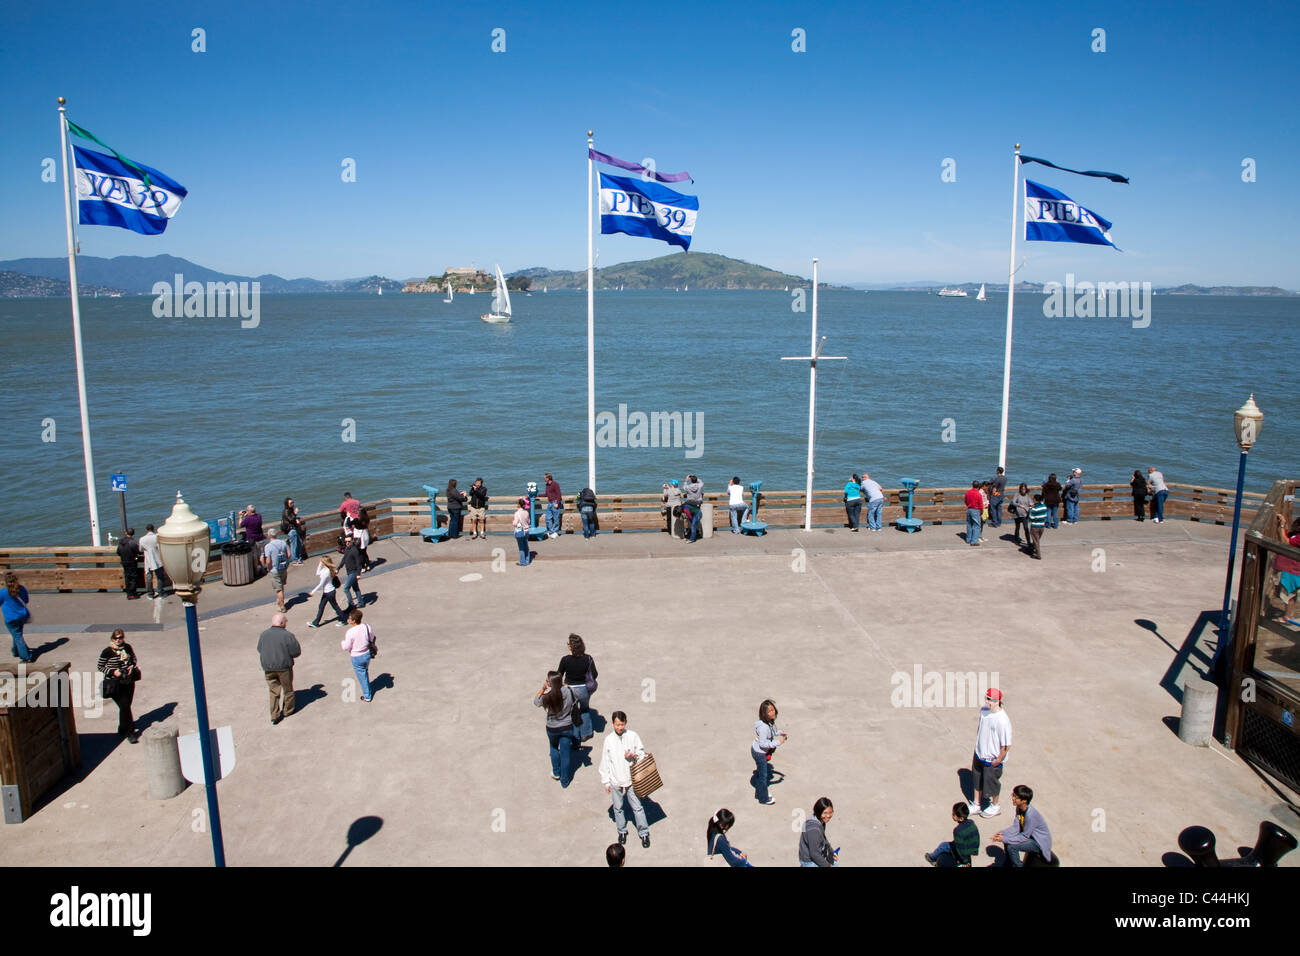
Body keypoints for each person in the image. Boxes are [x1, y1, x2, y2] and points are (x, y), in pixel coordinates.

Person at [599, 710, 651, 848]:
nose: (620, 727)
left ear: (625, 723)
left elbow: (642, 754)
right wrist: (606, 781)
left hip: (631, 780)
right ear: (612, 724)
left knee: (638, 807)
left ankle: (644, 833)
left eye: (622, 724)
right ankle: (622, 831)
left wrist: (633, 755)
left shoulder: (633, 736)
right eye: (617, 725)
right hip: (615, 780)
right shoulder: (608, 740)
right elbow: (605, 761)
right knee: (618, 808)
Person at [970, 687, 1011, 817]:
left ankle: (995, 806)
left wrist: (998, 760)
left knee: (992, 783)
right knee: (977, 780)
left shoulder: (1002, 720)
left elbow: (1006, 745)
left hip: (991, 759)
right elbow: (980, 727)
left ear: (997, 701)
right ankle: (976, 804)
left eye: (990, 700)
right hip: (979, 754)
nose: (987, 702)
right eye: (986, 699)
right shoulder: (983, 711)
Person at [533, 671, 578, 786]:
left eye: (547, 681)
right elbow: (575, 699)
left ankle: (556, 772)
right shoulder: (568, 691)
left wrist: (542, 689)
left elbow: (536, 702)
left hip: (552, 727)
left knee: (553, 747)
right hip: (567, 726)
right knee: (565, 753)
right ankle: (565, 780)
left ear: (550, 683)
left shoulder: (548, 696)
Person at [992, 785, 1054, 866]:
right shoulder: (1019, 808)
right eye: (1013, 795)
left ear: (1024, 801)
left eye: (1016, 797)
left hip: (1038, 842)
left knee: (1011, 846)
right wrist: (1002, 833)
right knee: (1006, 838)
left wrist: (1005, 838)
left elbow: (1024, 836)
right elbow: (1016, 827)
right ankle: (1009, 863)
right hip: (1029, 836)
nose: (1013, 798)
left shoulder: (1031, 815)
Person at [98, 628, 141, 742]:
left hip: (128, 681)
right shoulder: (107, 651)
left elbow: (134, 659)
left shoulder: (127, 648)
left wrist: (131, 666)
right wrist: (114, 672)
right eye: (116, 638)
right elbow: (100, 666)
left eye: (120, 638)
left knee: (126, 706)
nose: (118, 640)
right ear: (112, 639)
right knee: (124, 706)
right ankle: (129, 732)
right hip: (115, 683)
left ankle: (122, 728)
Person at [257, 612, 300, 724]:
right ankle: (287, 710)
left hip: (268, 668)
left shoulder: (264, 634)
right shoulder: (288, 635)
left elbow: (259, 649)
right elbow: (296, 652)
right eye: (285, 621)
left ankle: (274, 715)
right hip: (284, 667)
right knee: (288, 690)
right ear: (281, 623)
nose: (286, 623)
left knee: (273, 691)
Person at [558, 633, 597, 741]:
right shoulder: (588, 658)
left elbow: (558, 675)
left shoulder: (565, 660)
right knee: (584, 709)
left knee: (572, 711)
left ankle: (575, 734)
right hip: (584, 689)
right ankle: (586, 733)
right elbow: (595, 674)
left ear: (570, 647)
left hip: (569, 689)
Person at [752, 699, 786, 805]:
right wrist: (778, 742)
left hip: (759, 751)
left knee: (761, 773)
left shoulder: (768, 723)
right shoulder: (763, 728)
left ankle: (759, 792)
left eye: (773, 710)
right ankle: (763, 798)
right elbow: (763, 743)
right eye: (769, 711)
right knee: (763, 776)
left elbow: (772, 732)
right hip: (759, 753)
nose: (772, 712)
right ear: (764, 714)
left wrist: (779, 733)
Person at [925, 801, 981, 867]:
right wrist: (974, 851)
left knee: (944, 846)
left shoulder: (958, 831)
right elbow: (977, 837)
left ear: (961, 818)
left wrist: (965, 862)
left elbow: (960, 848)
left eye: (954, 814)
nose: (952, 815)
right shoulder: (972, 823)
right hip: (970, 849)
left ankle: (931, 858)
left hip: (962, 851)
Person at [1271, 515, 1300, 625]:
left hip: (1292, 571)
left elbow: (1285, 542)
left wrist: (1282, 525)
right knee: (1288, 594)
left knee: (1288, 594)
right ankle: (1289, 615)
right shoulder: (1294, 534)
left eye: (1296, 524)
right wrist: (1282, 527)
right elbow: (1284, 537)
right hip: (1286, 569)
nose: (1294, 525)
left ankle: (1287, 617)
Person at [341, 608, 375, 702]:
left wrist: (342, 643)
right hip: (367, 653)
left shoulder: (350, 632)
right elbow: (372, 638)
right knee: (365, 670)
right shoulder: (367, 626)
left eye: (349, 618)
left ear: (354, 620)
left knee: (362, 676)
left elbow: (346, 647)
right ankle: (367, 687)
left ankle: (367, 696)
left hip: (356, 656)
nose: (348, 619)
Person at [2, 572, 35, 662]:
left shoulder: (3, 592)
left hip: (11, 618)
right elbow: (26, 600)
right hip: (22, 616)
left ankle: (25, 657)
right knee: (17, 634)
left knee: (17, 636)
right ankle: (15, 651)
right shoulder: (22, 589)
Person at [307, 555, 347, 628]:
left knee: (335, 607)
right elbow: (317, 573)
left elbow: (321, 584)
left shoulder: (326, 572)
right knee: (321, 606)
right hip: (328, 592)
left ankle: (344, 620)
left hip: (329, 592)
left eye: (321, 562)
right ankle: (316, 623)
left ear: (324, 562)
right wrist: (320, 564)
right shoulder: (327, 569)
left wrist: (313, 592)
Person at [798, 797, 838, 867]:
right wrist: (828, 866)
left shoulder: (820, 821)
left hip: (817, 854)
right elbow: (814, 854)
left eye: (830, 812)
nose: (828, 816)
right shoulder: (814, 830)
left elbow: (823, 839)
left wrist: (831, 852)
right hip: (809, 861)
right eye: (825, 813)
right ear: (818, 812)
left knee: (835, 863)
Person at [262, 527, 291, 612]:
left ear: (268, 536)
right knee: (281, 585)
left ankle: (282, 606)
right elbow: (289, 555)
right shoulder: (283, 542)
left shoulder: (268, 546)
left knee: (278, 589)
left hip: (274, 569)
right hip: (283, 567)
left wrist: (268, 568)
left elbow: (268, 560)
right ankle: (279, 600)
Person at [137, 524, 169, 597]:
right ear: (153, 529)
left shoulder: (142, 539)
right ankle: (160, 593)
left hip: (148, 560)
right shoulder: (157, 537)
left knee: (149, 577)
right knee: (160, 577)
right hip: (158, 560)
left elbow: (140, 549)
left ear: (146, 530)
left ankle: (150, 594)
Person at [339, 535, 364, 609]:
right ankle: (361, 603)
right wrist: (338, 568)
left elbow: (358, 562)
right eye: (346, 541)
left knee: (346, 588)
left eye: (349, 541)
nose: (347, 543)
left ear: (352, 541)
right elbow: (344, 559)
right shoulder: (346, 549)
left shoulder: (354, 550)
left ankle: (351, 604)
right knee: (355, 588)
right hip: (349, 572)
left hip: (354, 572)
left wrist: (359, 574)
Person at [116, 527, 141, 599]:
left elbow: (118, 552)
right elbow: (138, 551)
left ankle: (128, 593)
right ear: (133, 534)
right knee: (133, 578)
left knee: (127, 577)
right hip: (132, 562)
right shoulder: (132, 542)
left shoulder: (120, 542)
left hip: (124, 562)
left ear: (126, 533)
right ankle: (132, 594)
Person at [281, 497, 306, 565]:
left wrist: (296, 518)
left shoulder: (290, 510)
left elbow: (292, 519)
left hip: (294, 529)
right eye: (291, 503)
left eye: (293, 502)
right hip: (291, 530)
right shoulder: (286, 511)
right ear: (287, 504)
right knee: (294, 545)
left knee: (299, 544)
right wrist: (295, 513)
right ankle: (295, 560)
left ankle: (298, 559)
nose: (292, 504)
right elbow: (291, 519)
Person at [1010, 483, 1033, 547]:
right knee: (1017, 527)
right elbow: (1013, 502)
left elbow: (1031, 502)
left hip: (1025, 514)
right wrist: (1019, 505)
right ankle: (1016, 539)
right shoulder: (1017, 494)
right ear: (1020, 489)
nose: (1023, 490)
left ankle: (1028, 541)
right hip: (1017, 514)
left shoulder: (1027, 495)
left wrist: (1031, 504)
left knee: (1026, 528)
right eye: (1022, 489)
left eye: (1024, 489)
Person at [683, 474, 704, 542]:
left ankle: (692, 537)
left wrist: (686, 480)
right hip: (697, 503)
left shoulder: (688, 487)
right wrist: (695, 478)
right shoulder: (699, 485)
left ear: (691, 481)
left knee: (692, 522)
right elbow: (701, 482)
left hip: (690, 504)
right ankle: (695, 531)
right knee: (695, 521)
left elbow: (684, 487)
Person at [513, 497, 533, 566]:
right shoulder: (526, 512)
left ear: (518, 505)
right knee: (526, 546)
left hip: (520, 531)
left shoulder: (517, 513)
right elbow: (529, 521)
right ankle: (528, 560)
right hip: (526, 530)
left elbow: (515, 523)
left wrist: (513, 522)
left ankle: (522, 562)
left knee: (521, 547)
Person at [1028, 494, 1048, 559]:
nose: (1033, 500)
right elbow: (1045, 515)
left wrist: (1031, 508)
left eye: (1033, 499)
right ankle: (1032, 549)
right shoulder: (1044, 506)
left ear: (1036, 500)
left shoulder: (1034, 509)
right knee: (1037, 539)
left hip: (1035, 526)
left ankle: (1038, 555)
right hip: (1042, 526)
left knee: (1036, 541)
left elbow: (1031, 518)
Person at [964, 480, 983, 546]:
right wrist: (981, 512)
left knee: (969, 524)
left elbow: (966, 501)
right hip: (975, 510)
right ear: (978, 486)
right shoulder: (978, 494)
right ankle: (974, 541)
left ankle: (968, 539)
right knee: (976, 526)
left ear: (972, 485)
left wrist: (968, 505)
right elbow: (981, 505)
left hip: (969, 509)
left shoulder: (968, 492)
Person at [543, 472, 562, 538]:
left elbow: (559, 494)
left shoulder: (555, 484)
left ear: (548, 478)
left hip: (555, 503)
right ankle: (551, 531)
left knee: (556, 518)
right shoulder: (547, 485)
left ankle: (556, 532)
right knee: (548, 518)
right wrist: (537, 495)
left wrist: (557, 503)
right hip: (550, 503)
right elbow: (546, 494)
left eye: (545, 478)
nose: (543, 479)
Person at [354, 506, 373, 570]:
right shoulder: (367, 519)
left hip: (360, 538)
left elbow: (350, 524)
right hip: (365, 536)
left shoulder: (358, 520)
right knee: (364, 552)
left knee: (360, 553)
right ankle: (367, 565)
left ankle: (362, 567)